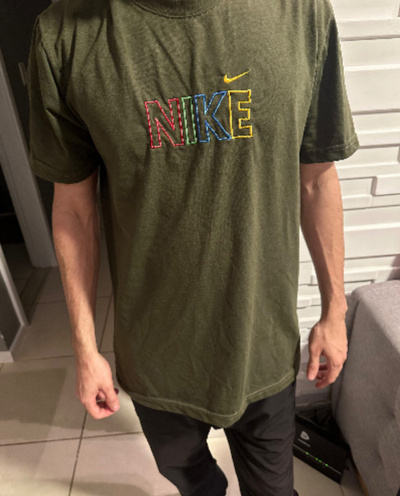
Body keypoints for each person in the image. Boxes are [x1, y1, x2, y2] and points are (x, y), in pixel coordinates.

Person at [27, 0, 359, 494]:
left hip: (262, 344)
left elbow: (316, 178)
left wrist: (335, 310)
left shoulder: (300, 12)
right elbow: (74, 210)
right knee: (193, 483)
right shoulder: (64, 36)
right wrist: (84, 346)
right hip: (156, 357)